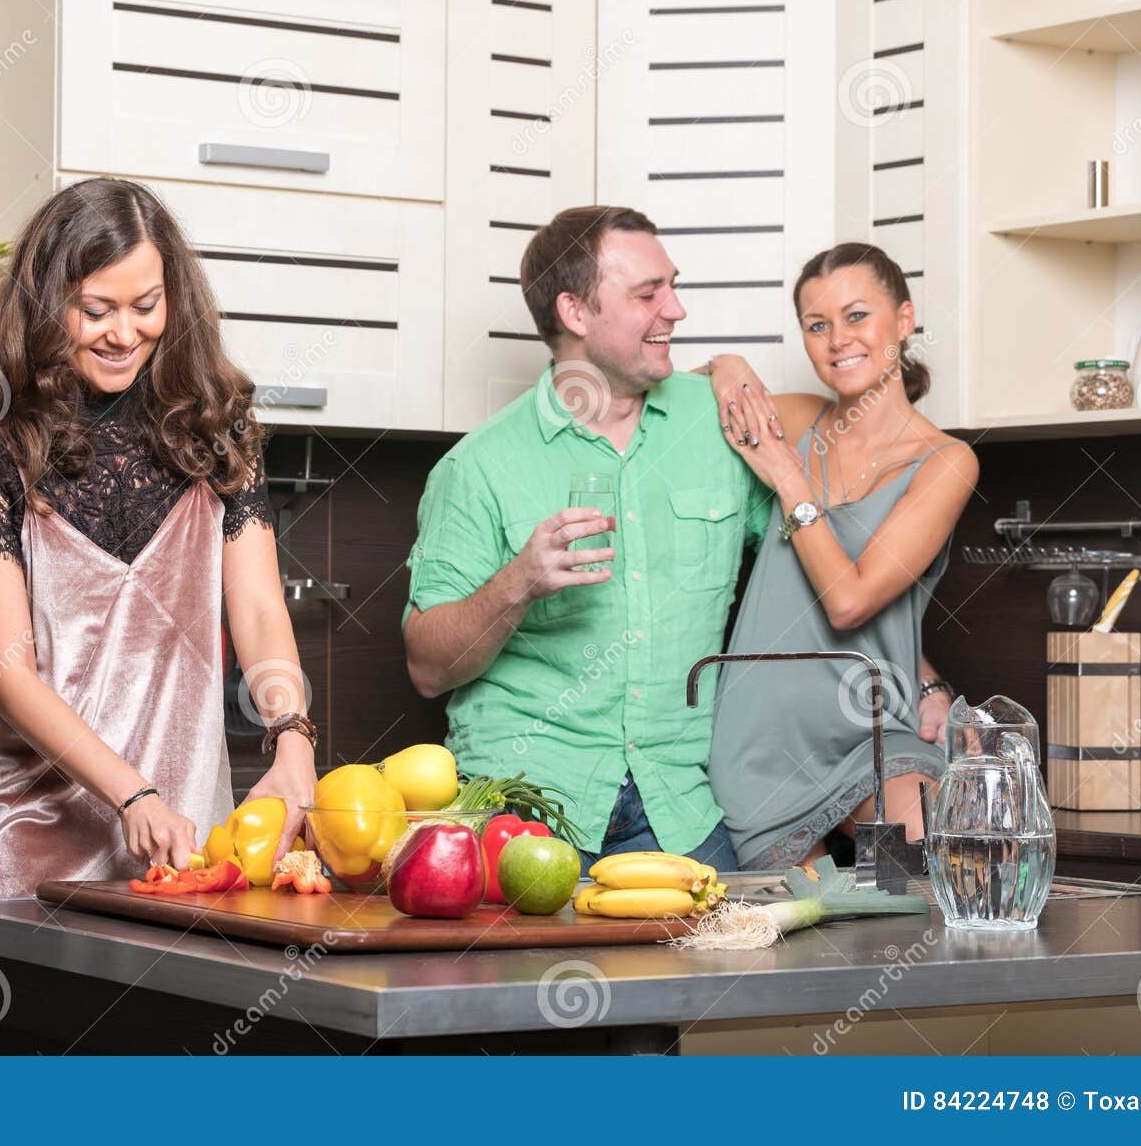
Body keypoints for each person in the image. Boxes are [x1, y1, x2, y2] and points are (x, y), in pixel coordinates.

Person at [402, 207, 951, 871]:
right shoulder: (479, 467)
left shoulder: (721, 424)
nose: (678, 309)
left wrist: (924, 683)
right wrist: (517, 584)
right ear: (575, 312)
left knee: (764, 950)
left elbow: (813, 581)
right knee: (518, 968)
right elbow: (428, 668)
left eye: (673, 285)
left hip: (682, 806)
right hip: (523, 806)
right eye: (648, 294)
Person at [0, 177, 316, 897]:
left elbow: (261, 609)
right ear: (48, 306)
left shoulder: (217, 425)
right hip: (33, 845)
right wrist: (131, 793)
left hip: (188, 841)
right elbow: (10, 672)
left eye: (146, 306)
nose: (124, 332)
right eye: (96, 310)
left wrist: (291, 736)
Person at [706, 242, 978, 870]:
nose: (837, 341)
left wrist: (786, 475)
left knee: (913, 897)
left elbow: (851, 601)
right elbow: (685, 391)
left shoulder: (944, 462)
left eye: (857, 316)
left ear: (903, 321)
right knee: (793, 945)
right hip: (757, 744)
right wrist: (727, 364)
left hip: (874, 733)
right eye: (817, 325)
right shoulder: (797, 420)